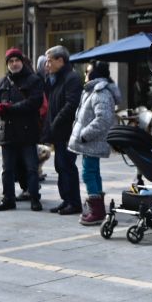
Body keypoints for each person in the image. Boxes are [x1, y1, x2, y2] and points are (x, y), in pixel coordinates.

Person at [0, 47, 44, 211]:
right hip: (7, 132)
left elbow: (35, 102)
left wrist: (10, 108)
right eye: (11, 61)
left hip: (28, 131)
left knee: (31, 168)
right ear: (7, 64)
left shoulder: (34, 80)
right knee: (7, 169)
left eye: (17, 60)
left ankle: (34, 198)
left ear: (22, 62)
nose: (14, 64)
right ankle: (8, 199)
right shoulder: (0, 82)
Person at [69, 60, 119, 225]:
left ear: (95, 74)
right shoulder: (93, 90)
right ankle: (98, 210)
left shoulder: (100, 92)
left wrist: (84, 135)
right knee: (93, 172)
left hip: (92, 141)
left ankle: (96, 212)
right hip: (91, 142)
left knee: (88, 173)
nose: (85, 74)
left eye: (87, 71)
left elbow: (103, 119)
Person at [42, 45, 83, 215]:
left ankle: (74, 203)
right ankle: (66, 200)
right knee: (60, 166)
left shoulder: (72, 78)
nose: (47, 65)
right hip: (58, 132)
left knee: (67, 166)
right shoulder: (56, 78)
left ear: (60, 60)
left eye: (49, 61)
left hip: (67, 131)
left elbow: (71, 104)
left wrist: (56, 122)